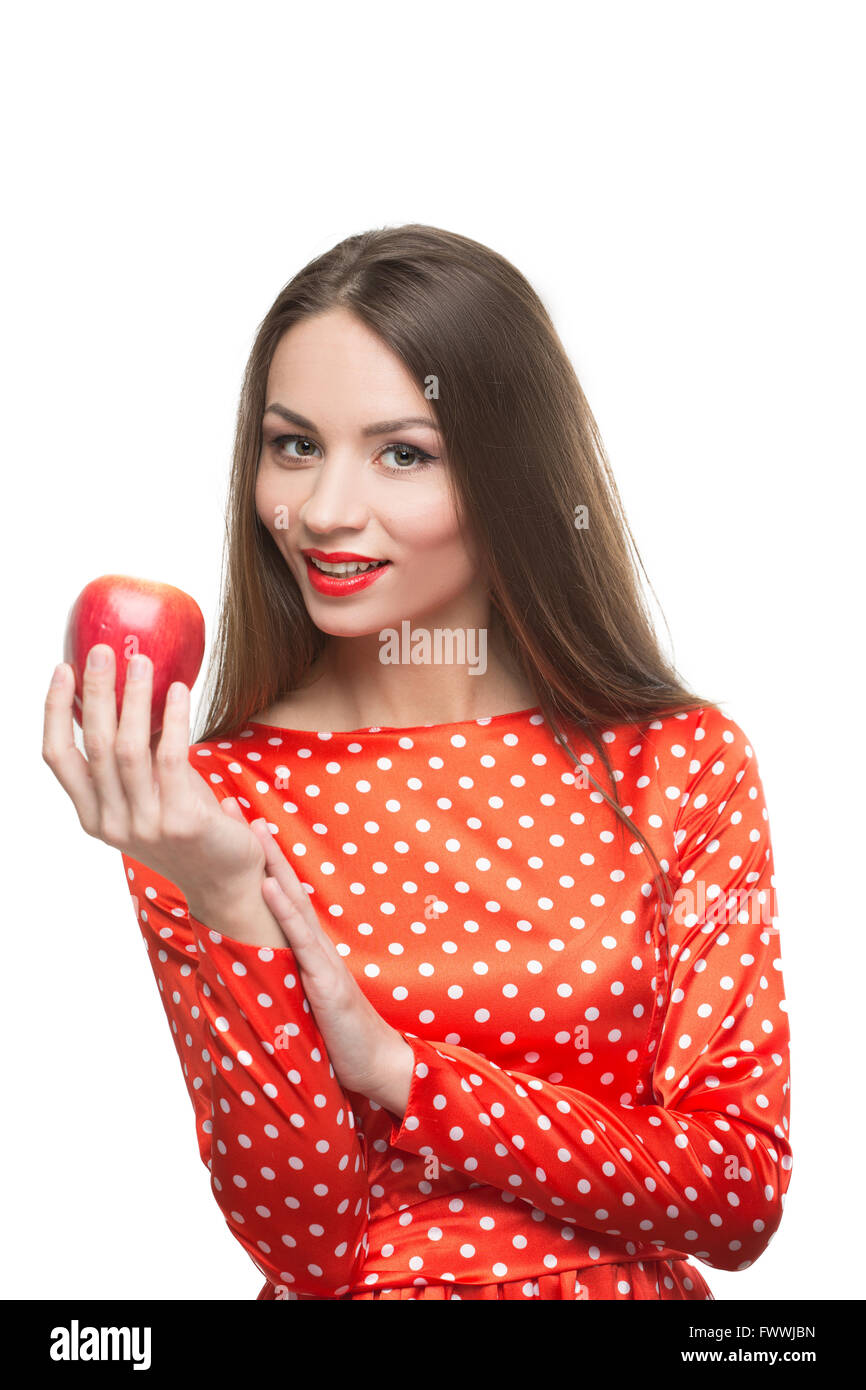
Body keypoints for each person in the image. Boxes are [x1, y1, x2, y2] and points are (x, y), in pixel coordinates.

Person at [43, 224, 792, 1300]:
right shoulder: (207, 805)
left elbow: (735, 1192)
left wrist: (402, 1075)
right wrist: (226, 896)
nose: (322, 510)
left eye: (402, 452)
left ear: (510, 474)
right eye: (293, 445)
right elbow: (303, 1246)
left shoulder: (677, 764)